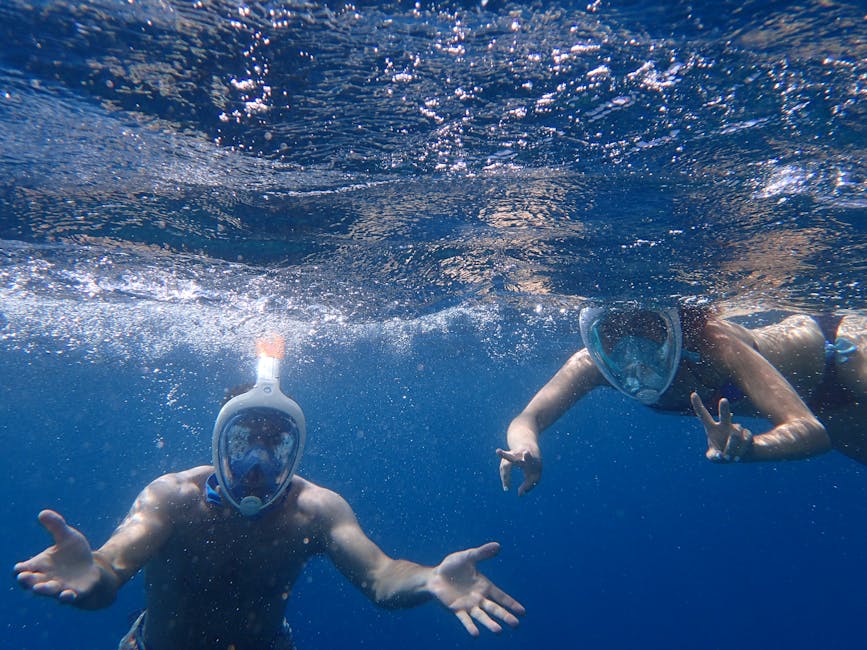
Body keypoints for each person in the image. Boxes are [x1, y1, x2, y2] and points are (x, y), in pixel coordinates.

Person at [15, 338, 525, 649]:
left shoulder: (314, 511)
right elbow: (108, 572)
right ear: (218, 444)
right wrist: (92, 576)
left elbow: (382, 577)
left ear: (295, 450)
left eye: (274, 445)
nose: (258, 466)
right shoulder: (172, 499)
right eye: (243, 444)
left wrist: (430, 579)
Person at [498, 303, 867, 495]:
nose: (633, 353)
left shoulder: (718, 346)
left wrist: (752, 447)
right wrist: (526, 448)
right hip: (827, 406)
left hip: (846, 353)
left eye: (645, 329)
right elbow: (526, 419)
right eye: (613, 334)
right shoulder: (592, 364)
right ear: (596, 337)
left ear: (675, 325)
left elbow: (807, 430)